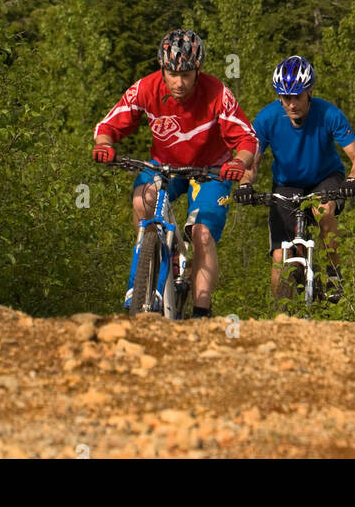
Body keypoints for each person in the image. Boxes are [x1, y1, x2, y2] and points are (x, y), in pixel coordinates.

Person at [92, 28, 256, 318]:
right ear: (162, 68)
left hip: (210, 170)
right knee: (142, 200)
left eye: (187, 75)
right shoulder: (145, 88)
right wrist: (104, 145)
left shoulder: (217, 92)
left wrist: (239, 163)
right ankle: (148, 263)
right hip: (165, 166)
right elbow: (108, 125)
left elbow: (247, 139)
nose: (179, 83)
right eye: (172, 74)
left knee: (202, 234)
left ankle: (201, 313)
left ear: (198, 70)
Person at [239, 55, 355, 303]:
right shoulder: (267, 118)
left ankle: (333, 276)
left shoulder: (329, 113)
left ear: (309, 92)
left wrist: (353, 179)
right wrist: (246, 183)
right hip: (286, 184)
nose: (291, 104)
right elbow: (252, 162)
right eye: (285, 97)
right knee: (279, 256)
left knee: (322, 210)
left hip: (325, 177)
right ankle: (281, 316)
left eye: (297, 96)